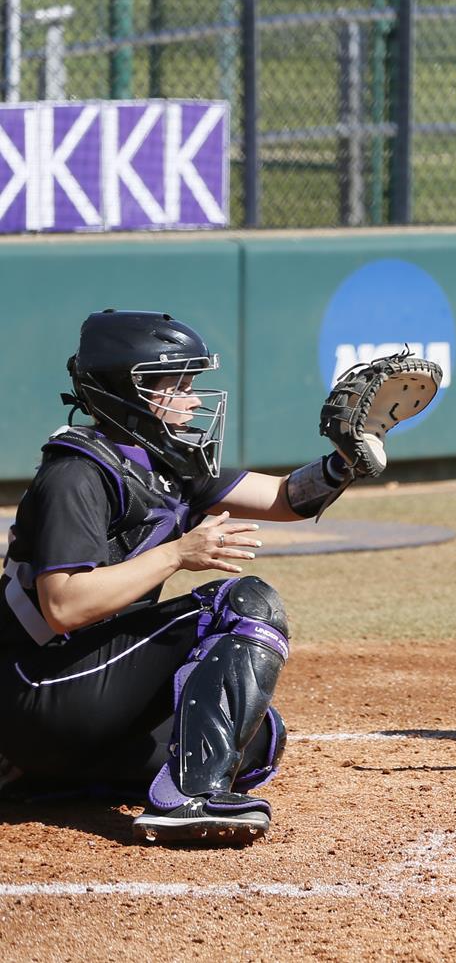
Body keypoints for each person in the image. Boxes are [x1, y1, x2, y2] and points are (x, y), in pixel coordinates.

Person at [0, 311, 405, 843]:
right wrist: (177, 554)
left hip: (81, 699)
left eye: (193, 383)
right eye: (176, 384)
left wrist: (345, 460)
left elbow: (284, 498)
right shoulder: (77, 473)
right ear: (129, 389)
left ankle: (46, 777)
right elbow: (63, 606)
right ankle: (186, 802)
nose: (193, 399)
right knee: (244, 603)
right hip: (38, 685)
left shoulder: (159, 463)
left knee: (256, 740)